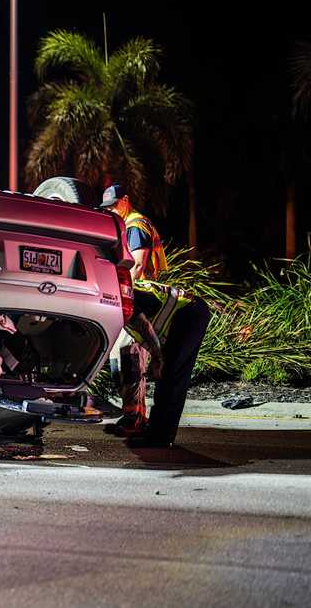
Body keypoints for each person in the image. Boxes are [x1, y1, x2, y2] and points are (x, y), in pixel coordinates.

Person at [100, 184, 168, 435]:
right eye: (108, 208)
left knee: (128, 355)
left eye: (114, 205)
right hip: (135, 298)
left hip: (138, 296)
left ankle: (134, 419)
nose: (112, 211)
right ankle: (134, 415)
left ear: (125, 200)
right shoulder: (127, 224)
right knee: (123, 358)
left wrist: (119, 292)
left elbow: (137, 265)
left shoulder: (136, 225)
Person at [119, 280, 212, 448]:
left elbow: (144, 325)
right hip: (192, 312)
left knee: (170, 376)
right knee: (173, 377)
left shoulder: (120, 296)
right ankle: (161, 433)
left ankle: (158, 437)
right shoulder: (122, 290)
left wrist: (157, 358)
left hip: (188, 314)